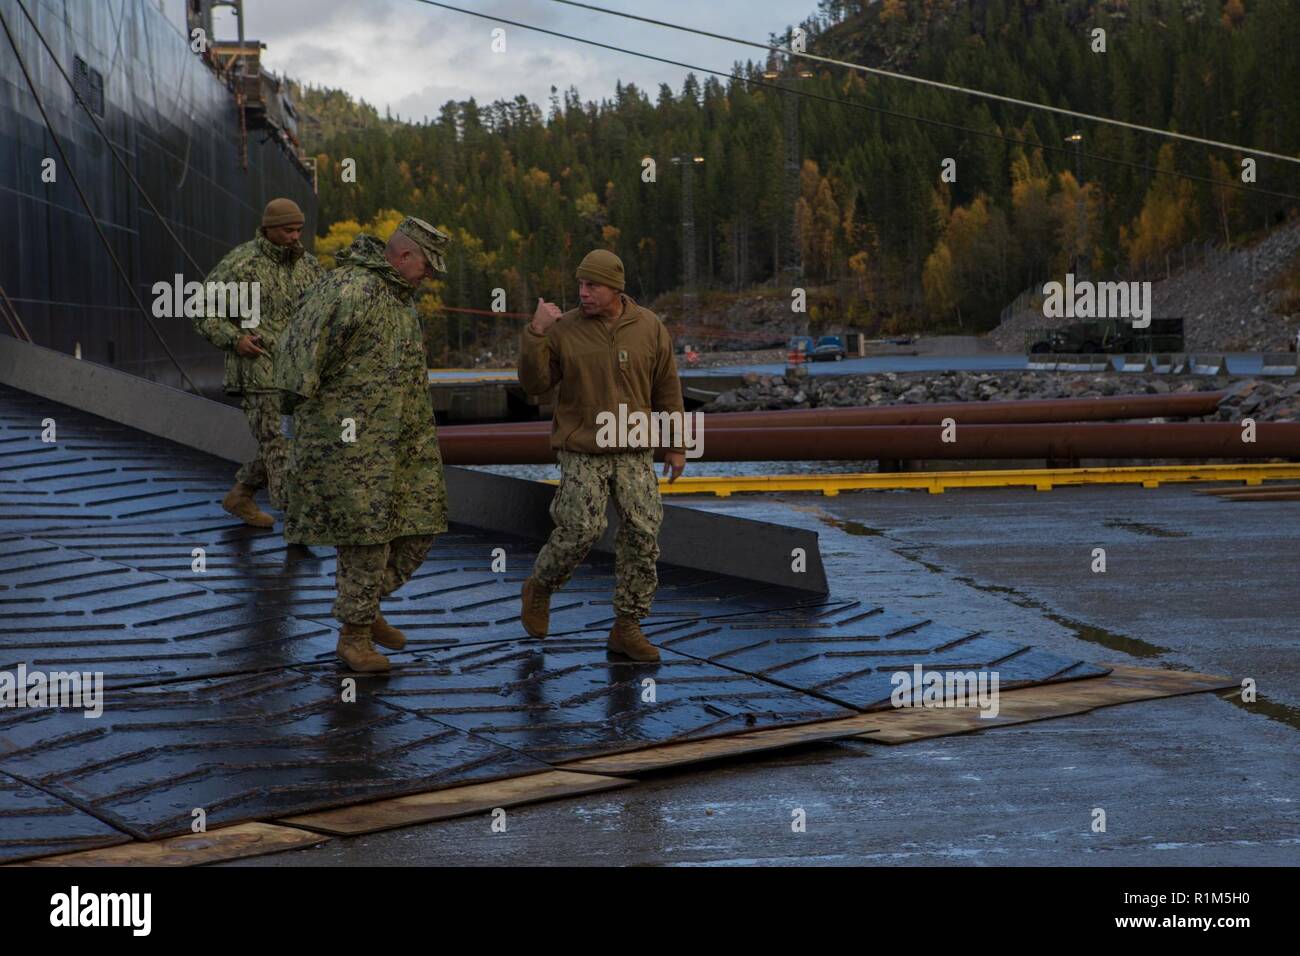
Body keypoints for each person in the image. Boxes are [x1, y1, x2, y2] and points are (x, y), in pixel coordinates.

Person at [274, 217, 451, 672]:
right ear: (406, 255)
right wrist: (316, 428)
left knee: (421, 525)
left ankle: (365, 607)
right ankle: (353, 636)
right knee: (366, 539)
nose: (430, 275)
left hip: (402, 444)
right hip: (351, 446)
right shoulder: (348, 289)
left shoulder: (399, 300)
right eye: (429, 265)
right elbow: (297, 358)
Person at [517, 249, 686, 662]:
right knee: (581, 528)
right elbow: (534, 385)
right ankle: (540, 586)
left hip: (634, 446)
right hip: (583, 447)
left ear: (616, 287)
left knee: (643, 534)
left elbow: (667, 387)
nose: (583, 292)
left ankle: (627, 627)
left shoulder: (649, 327)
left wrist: (677, 443)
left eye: (592, 285)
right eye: (580, 284)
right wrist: (536, 333)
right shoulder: (564, 330)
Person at [192, 198, 323, 527]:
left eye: (299, 230)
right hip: (259, 375)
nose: (295, 236)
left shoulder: (309, 267)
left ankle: (241, 495)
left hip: (300, 377)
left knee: (299, 443)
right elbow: (201, 308)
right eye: (287, 230)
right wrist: (235, 339)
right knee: (279, 445)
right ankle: (298, 524)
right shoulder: (241, 263)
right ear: (268, 229)